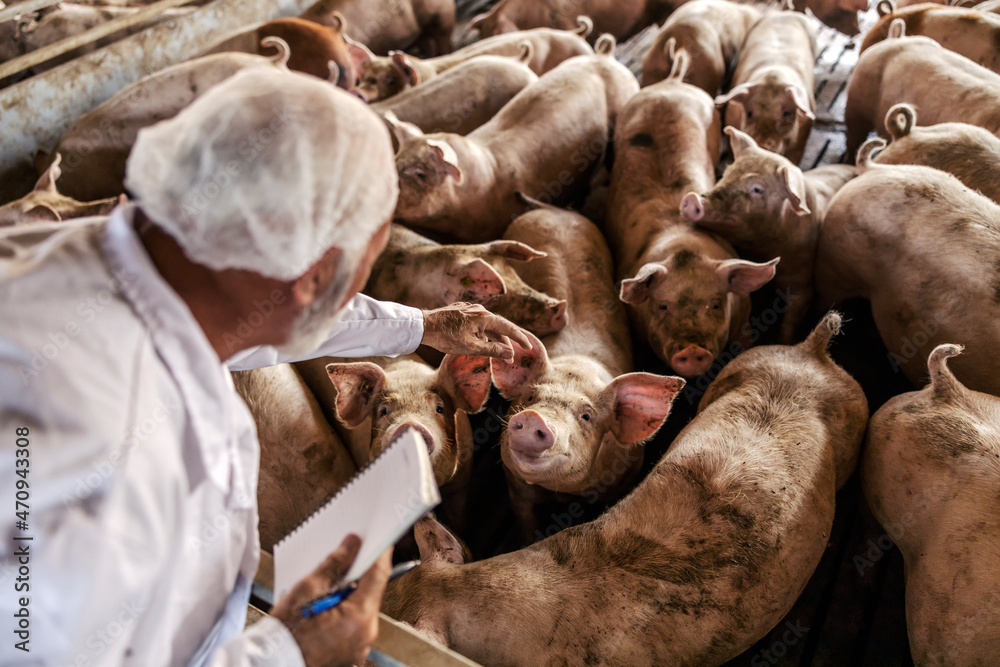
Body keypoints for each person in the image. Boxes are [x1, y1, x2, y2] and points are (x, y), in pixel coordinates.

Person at [0, 65, 530, 666]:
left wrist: (424, 326)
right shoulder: (103, 446)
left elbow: (264, 303)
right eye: (363, 264)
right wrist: (292, 651)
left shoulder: (111, 259)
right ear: (315, 280)